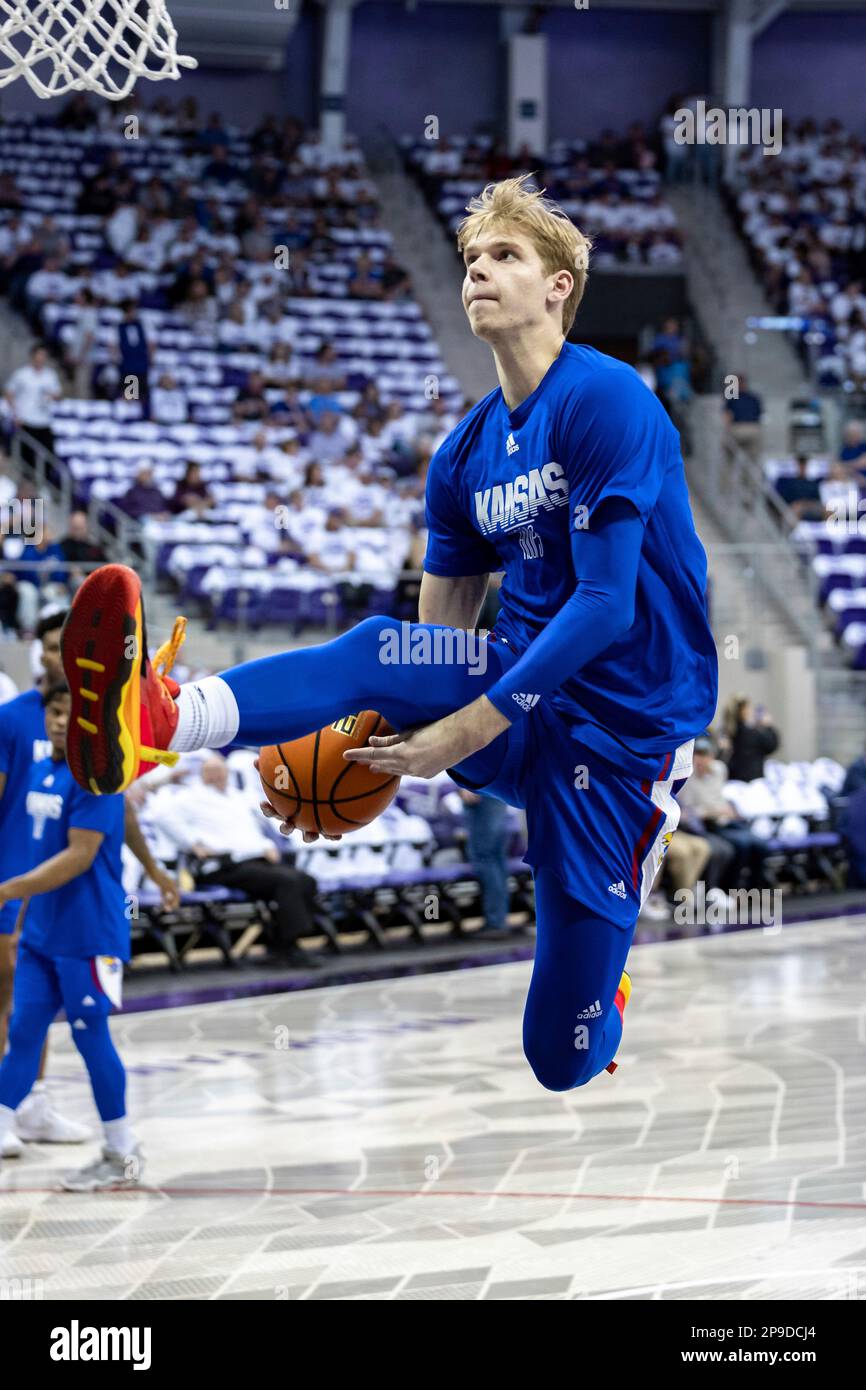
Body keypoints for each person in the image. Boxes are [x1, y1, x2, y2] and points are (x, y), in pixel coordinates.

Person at [60, 174, 719, 1092]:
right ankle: (162, 719)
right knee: (381, 646)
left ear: (559, 284)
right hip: (518, 704)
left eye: (505, 257)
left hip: (623, 741)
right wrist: (379, 743)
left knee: (559, 1059)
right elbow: (435, 638)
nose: (479, 273)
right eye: (471, 259)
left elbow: (606, 606)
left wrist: (466, 729)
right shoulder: (462, 457)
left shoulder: (608, 401)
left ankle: (603, 1001)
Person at [0, 684, 141, 1189]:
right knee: (22, 1033)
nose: (60, 722)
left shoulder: (100, 780)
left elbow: (79, 856)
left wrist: (6, 891)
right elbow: (39, 852)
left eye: (72, 714)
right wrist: (19, 917)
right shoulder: (41, 770)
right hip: (41, 932)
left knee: (90, 1036)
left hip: (88, 935)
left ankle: (122, 1151)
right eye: (56, 713)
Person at [153, 754, 321, 969]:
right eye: (211, 771)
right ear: (203, 774)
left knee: (306, 880)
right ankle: (289, 946)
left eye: (220, 770)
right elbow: (161, 817)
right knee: (286, 881)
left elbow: (249, 830)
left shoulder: (236, 796)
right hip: (221, 866)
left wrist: (266, 845)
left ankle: (281, 943)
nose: (217, 775)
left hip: (254, 862)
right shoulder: (190, 797)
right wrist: (192, 843)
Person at [677, 736, 770, 891]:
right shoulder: (687, 776)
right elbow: (688, 811)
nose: (700, 759)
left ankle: (754, 890)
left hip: (726, 819)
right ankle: (730, 890)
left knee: (760, 844)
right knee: (741, 845)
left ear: (711, 756)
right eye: (697, 755)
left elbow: (720, 797)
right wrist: (713, 811)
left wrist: (729, 809)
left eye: (704, 755)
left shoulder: (719, 770)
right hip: (706, 824)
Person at [458, 788, 511, 937]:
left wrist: (468, 785)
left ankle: (496, 921)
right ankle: (498, 919)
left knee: (486, 858)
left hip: (481, 789)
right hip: (493, 788)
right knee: (495, 858)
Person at [4, 344, 62, 467]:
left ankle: (43, 481)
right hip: (26, 420)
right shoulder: (22, 374)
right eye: (39, 355)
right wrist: (15, 414)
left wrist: (51, 396)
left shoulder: (50, 375)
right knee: (27, 457)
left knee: (47, 456)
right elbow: (9, 393)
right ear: (33, 356)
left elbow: (57, 395)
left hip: (44, 421)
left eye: (44, 356)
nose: (41, 358)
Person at [723, 697, 779, 782]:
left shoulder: (728, 731)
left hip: (733, 779)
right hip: (751, 781)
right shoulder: (750, 733)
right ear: (743, 711)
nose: (750, 711)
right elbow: (771, 745)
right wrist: (768, 727)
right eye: (748, 708)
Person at [722, 374, 764, 467]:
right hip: (753, 429)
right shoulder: (754, 397)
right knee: (752, 460)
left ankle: (728, 478)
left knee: (728, 456)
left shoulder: (732, 398)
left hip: (738, 429)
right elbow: (760, 415)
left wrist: (726, 432)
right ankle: (750, 479)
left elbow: (727, 416)